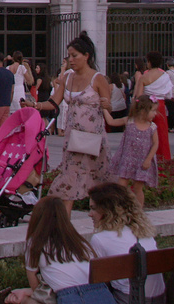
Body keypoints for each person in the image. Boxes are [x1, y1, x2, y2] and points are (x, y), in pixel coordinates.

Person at [36, 32, 112, 214]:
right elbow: (54, 102)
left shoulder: (97, 78)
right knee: (70, 179)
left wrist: (106, 104)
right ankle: (64, 226)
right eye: (69, 56)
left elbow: (108, 105)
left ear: (86, 56)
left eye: (74, 56)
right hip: (73, 139)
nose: (70, 60)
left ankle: (102, 219)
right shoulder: (68, 78)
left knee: (97, 180)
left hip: (93, 138)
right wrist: (35, 105)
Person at [2, 196, 95, 304]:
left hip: (70, 297)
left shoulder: (35, 243)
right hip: (100, 294)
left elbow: (35, 287)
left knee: (25, 301)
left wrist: (25, 294)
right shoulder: (79, 241)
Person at [88, 181, 166, 303]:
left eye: (93, 209)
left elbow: (97, 280)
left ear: (107, 210)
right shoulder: (144, 232)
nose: (90, 214)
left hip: (129, 298)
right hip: (159, 297)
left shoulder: (100, 239)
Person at [103, 94, 159, 207]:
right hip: (127, 160)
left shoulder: (152, 127)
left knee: (138, 187)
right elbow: (111, 122)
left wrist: (148, 159)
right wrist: (103, 108)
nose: (155, 114)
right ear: (143, 111)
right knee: (121, 186)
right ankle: (121, 208)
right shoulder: (129, 121)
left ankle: (138, 211)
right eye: (153, 111)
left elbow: (155, 144)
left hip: (142, 162)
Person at [132, 52, 173, 160]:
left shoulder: (144, 77)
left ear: (149, 62)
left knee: (146, 133)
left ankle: (147, 158)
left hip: (147, 106)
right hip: (160, 106)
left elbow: (139, 97)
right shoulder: (165, 76)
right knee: (162, 134)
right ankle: (164, 158)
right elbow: (169, 95)